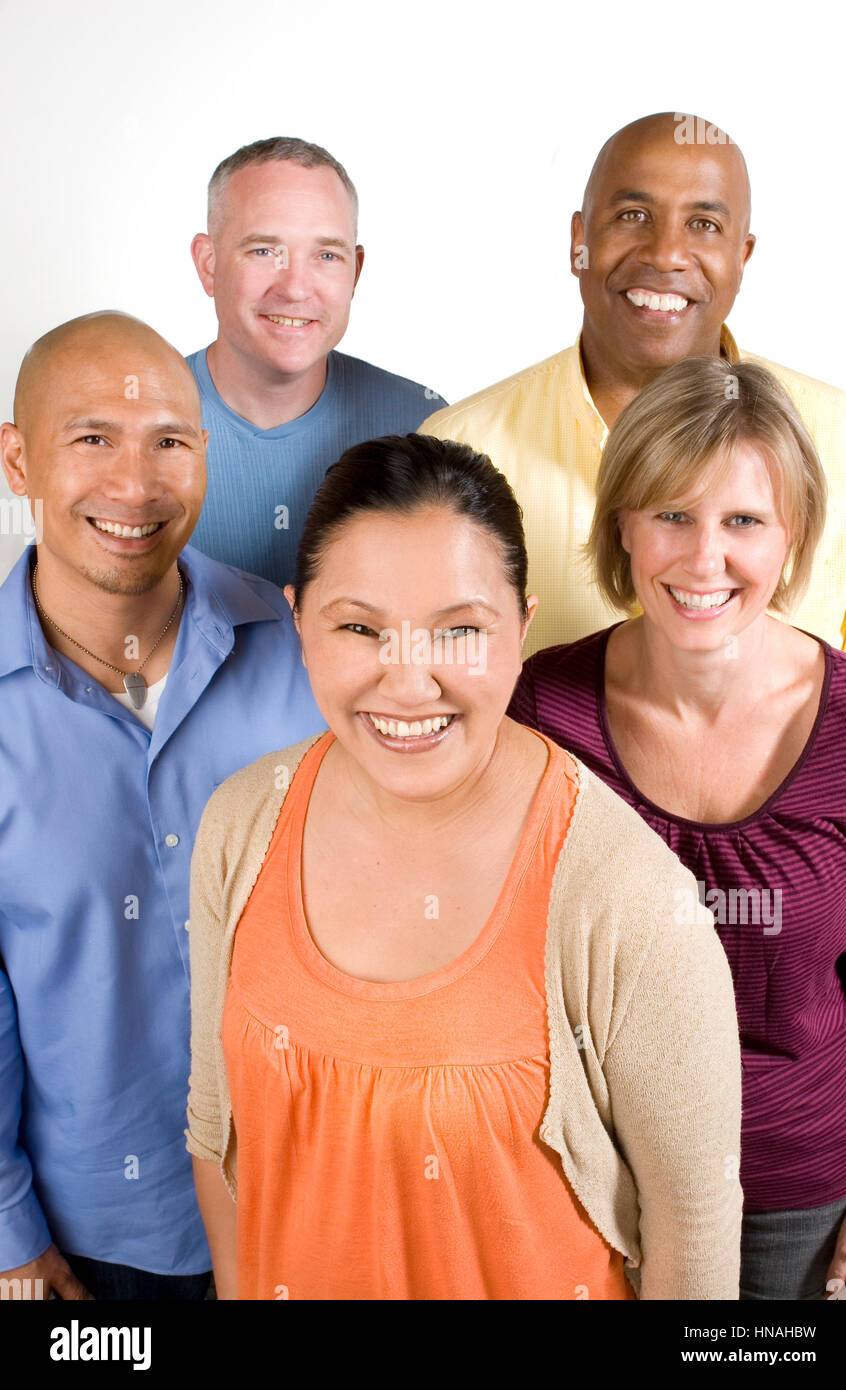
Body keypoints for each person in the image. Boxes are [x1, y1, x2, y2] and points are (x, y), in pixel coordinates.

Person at [185, 431, 742, 1301]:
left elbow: (695, 1239)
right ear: (299, 623)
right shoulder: (241, 822)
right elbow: (216, 1132)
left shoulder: (624, 895)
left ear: (520, 631)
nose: (410, 683)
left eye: (459, 632)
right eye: (361, 627)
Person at [508, 355, 846, 1301]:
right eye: (671, 515)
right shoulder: (544, 707)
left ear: (791, 538)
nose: (705, 558)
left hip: (797, 1199)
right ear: (622, 526)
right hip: (593, 1183)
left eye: (744, 521)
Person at [0, 312, 325, 1300]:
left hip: (314, 1206)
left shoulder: (305, 645)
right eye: (92, 437)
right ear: (18, 460)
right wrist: (8, 1233)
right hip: (90, 1240)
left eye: (169, 443)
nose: (135, 484)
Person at [421, 111, 846, 658]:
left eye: (704, 224)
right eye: (633, 215)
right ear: (579, 241)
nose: (666, 254)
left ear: (742, 257)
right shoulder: (455, 449)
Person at [187, 136, 445, 587]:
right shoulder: (133, 418)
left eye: (326, 255)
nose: (295, 287)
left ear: (355, 272)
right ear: (208, 264)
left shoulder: (424, 426)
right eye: (264, 251)